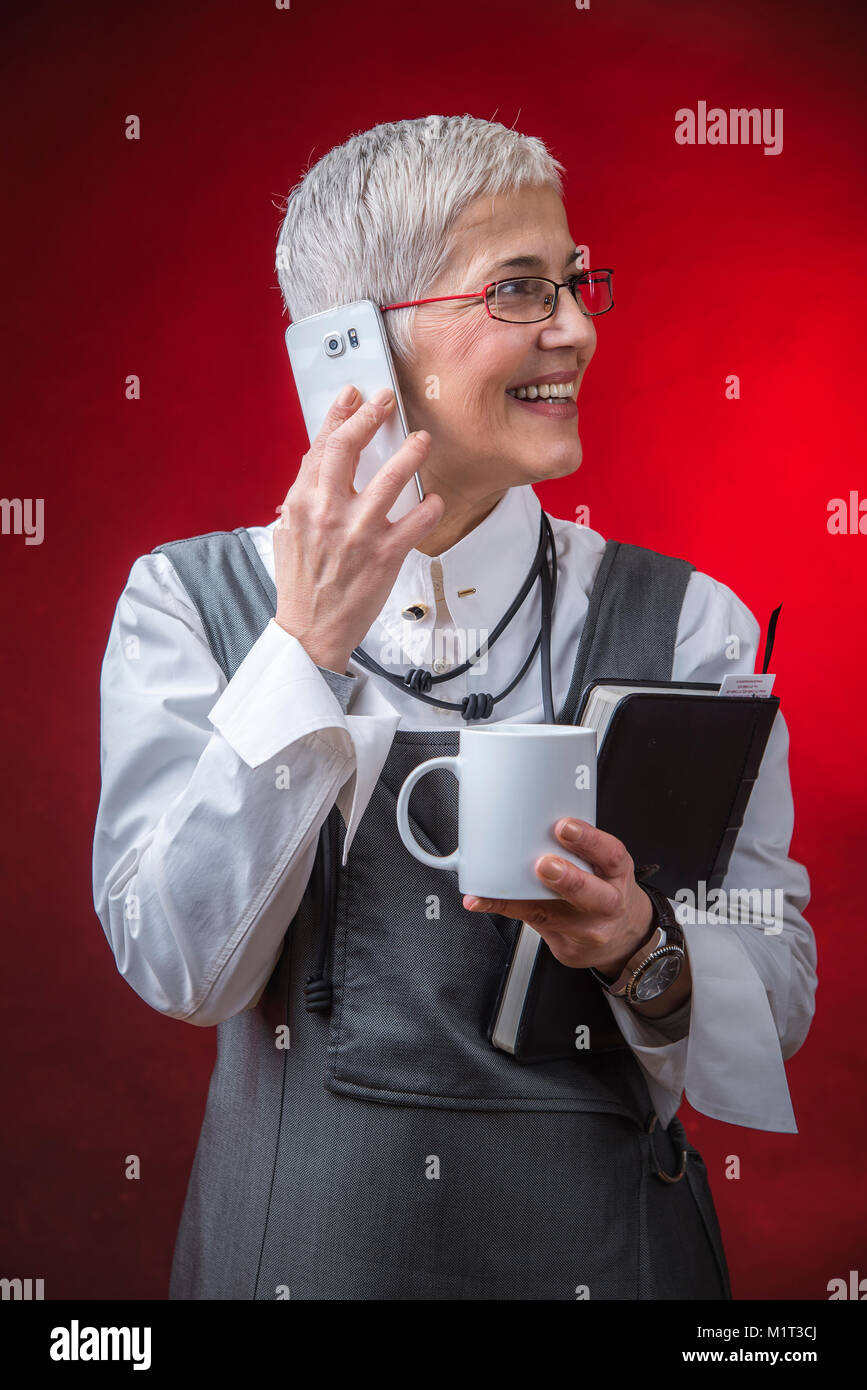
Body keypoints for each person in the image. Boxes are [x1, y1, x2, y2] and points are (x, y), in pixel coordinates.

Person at [92, 114, 816, 1300]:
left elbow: (776, 986)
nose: (577, 329)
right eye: (522, 290)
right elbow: (181, 967)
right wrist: (305, 646)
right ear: (351, 351)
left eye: (577, 283)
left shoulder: (696, 627)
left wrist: (642, 947)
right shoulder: (190, 605)